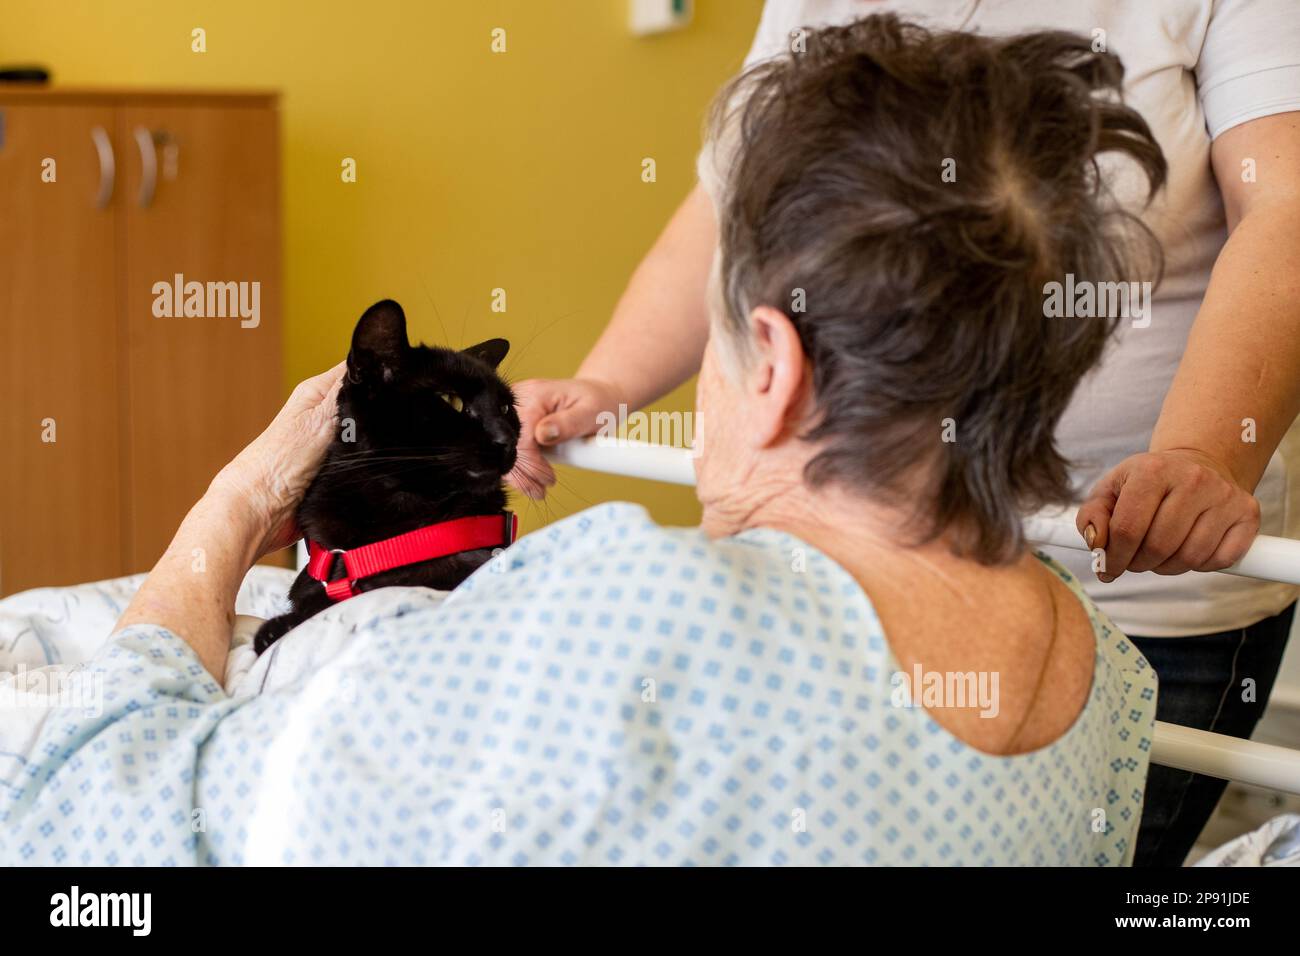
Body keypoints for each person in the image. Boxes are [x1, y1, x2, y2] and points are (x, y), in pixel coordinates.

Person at [4, 17, 1160, 865]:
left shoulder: (625, 607)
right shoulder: (1104, 677)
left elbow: (96, 826)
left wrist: (239, 495)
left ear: (774, 369)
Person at [510, 0, 1300, 866]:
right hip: (841, 571)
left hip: (1140, 572)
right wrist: (609, 384)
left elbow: (1285, 211)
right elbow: (742, 203)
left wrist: (1197, 457)